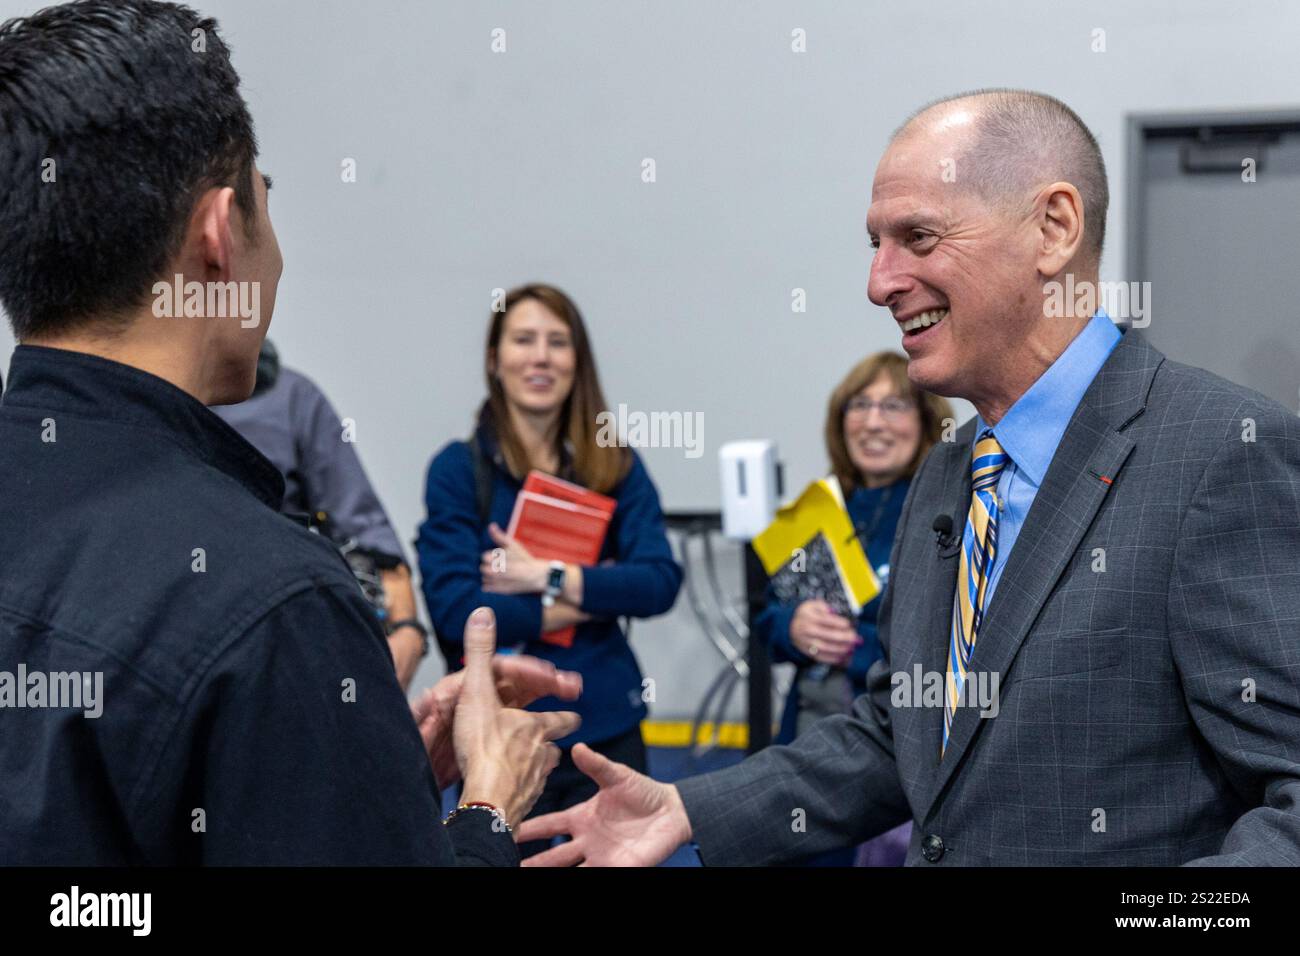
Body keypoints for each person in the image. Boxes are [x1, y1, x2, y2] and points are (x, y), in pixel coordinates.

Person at [517, 89, 1300, 867]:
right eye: (875, 244)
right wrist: (691, 806)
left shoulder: (1221, 454)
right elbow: (911, 732)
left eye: (918, 238)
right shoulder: (949, 475)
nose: (880, 282)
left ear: (1054, 227)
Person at [0, 0, 579, 866]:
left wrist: (360, 765)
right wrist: (488, 807)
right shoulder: (270, 599)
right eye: (266, 204)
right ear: (219, 236)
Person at [417, 283, 683, 857]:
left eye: (557, 342)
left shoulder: (615, 465)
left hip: (607, 724)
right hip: (499, 737)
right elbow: (456, 611)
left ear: (576, 361)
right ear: (495, 359)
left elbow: (660, 581)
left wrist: (546, 574)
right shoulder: (458, 470)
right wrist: (596, 590)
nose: (541, 356)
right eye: (524, 339)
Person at [757, 351, 951, 865]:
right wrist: (789, 625)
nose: (872, 422)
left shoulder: (951, 510)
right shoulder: (812, 510)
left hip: (902, 753)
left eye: (893, 406)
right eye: (859, 405)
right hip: (808, 735)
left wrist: (855, 649)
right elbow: (763, 620)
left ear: (926, 421)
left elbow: (952, 639)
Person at [213, 338, 428, 689]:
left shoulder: (291, 396)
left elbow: (362, 524)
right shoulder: (137, 402)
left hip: (289, 634)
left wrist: (407, 629)